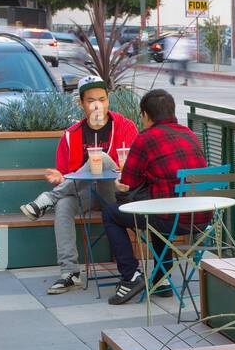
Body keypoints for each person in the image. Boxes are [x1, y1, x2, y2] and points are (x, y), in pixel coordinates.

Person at [19, 75, 139, 295]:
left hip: (117, 193)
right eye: (91, 100)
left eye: (102, 99)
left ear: (108, 100)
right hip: (84, 193)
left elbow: (135, 167)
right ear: (81, 103)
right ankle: (70, 273)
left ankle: (47, 199)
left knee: (100, 158)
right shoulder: (70, 135)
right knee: (64, 206)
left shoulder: (126, 127)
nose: (97, 105)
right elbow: (67, 176)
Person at [100, 89, 211, 306]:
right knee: (159, 212)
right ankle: (162, 280)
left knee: (111, 214)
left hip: (172, 217)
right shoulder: (188, 133)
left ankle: (130, 276)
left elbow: (128, 184)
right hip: (202, 218)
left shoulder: (145, 138)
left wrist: (117, 184)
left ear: (146, 115)